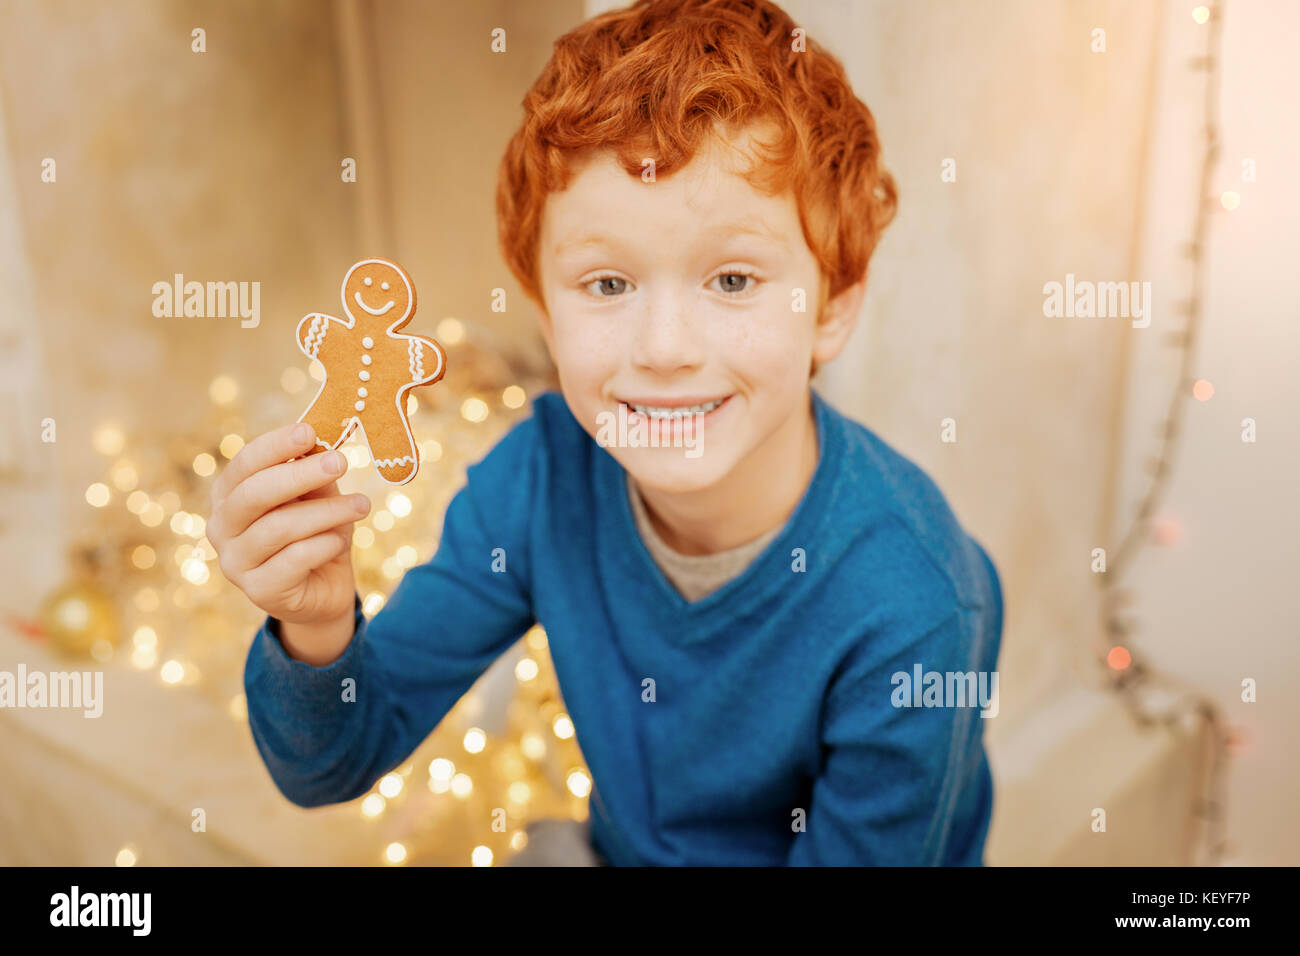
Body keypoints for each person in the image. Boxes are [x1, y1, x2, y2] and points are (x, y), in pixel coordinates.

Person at [209, 0, 1003, 865]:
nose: (663, 349)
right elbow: (331, 763)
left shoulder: (914, 605)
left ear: (832, 309)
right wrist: (317, 628)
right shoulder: (542, 478)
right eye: (608, 285)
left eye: (733, 280)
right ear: (547, 317)